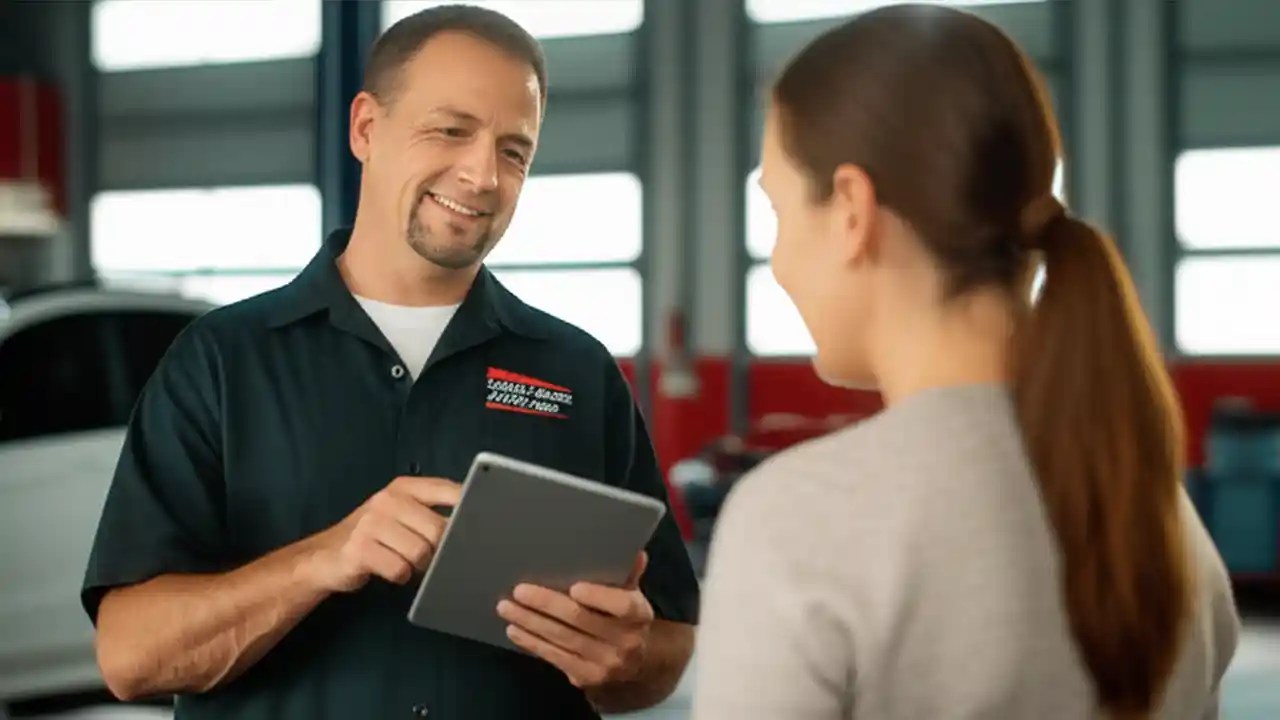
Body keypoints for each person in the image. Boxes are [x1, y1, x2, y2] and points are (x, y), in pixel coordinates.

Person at [81, 6, 698, 719]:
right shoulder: (222, 362)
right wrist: (323, 559)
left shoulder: (575, 373)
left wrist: (625, 660)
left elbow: (668, 643)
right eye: (451, 130)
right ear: (366, 127)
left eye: (513, 151)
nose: (482, 175)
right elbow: (130, 659)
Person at [692, 5, 1239, 720]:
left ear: (852, 209)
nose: (781, 259)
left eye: (778, 210)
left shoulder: (798, 521)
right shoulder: (1163, 527)